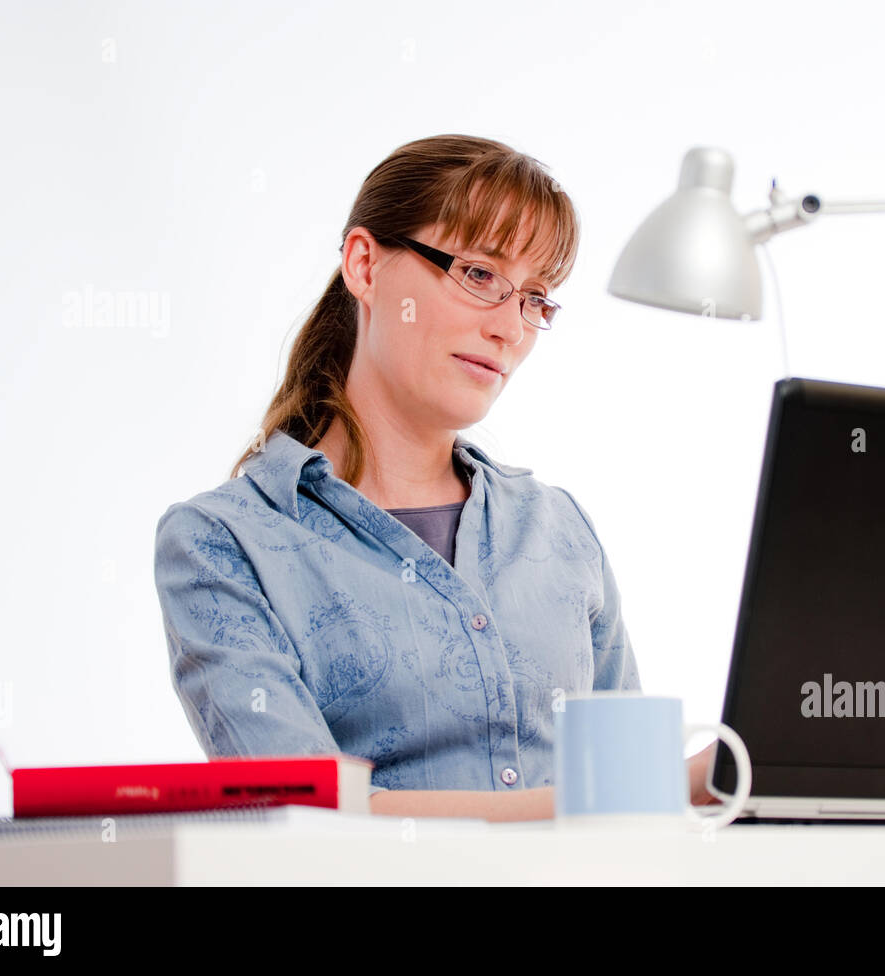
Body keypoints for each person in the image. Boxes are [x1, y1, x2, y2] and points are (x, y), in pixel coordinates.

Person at [153, 133, 718, 822]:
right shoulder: (224, 542)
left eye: (536, 297)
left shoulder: (559, 530)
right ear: (364, 265)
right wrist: (656, 786)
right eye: (480, 275)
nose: (510, 327)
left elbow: (636, 823)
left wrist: (689, 791)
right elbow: (307, 816)